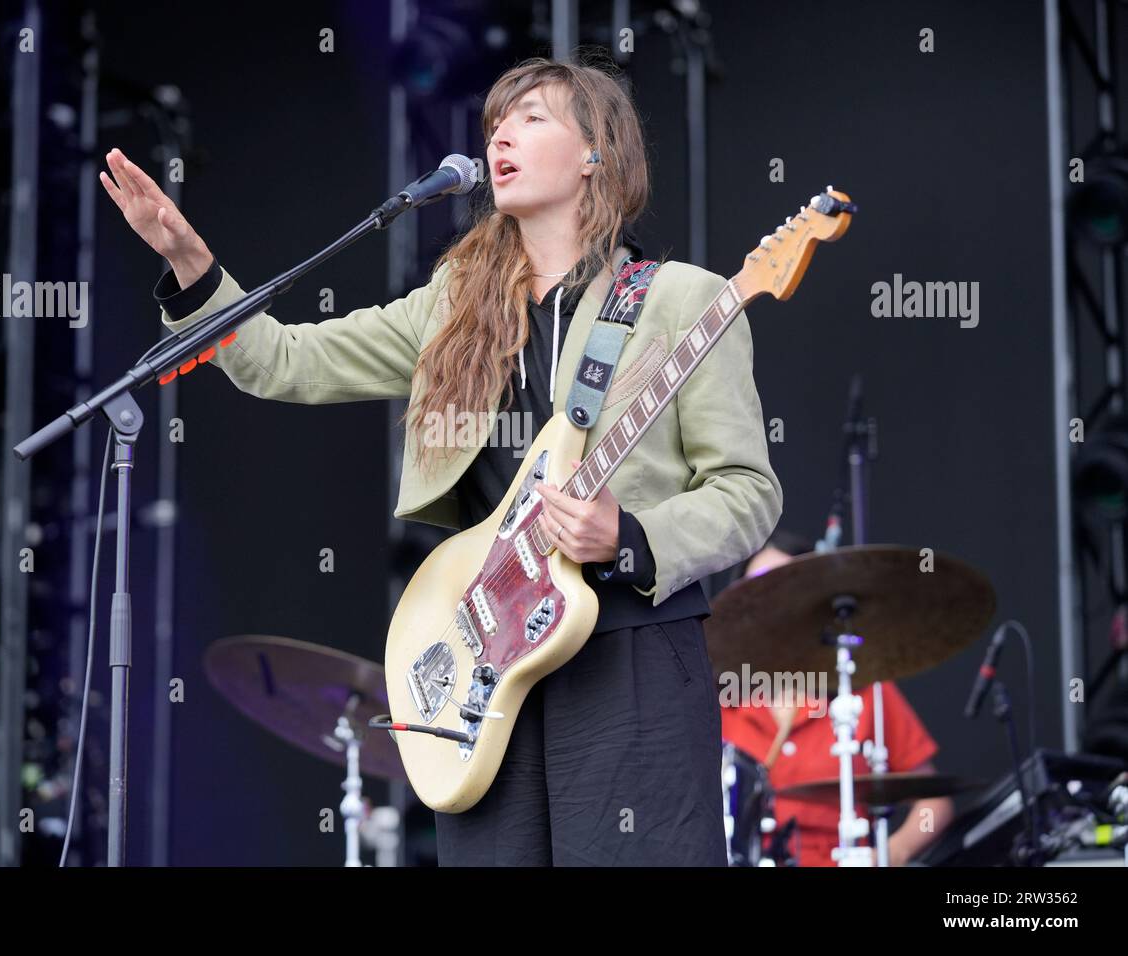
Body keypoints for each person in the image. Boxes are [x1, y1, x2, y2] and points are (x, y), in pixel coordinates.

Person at [102, 55, 782, 866]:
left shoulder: (683, 300)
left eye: (533, 117)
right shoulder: (456, 304)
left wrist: (629, 535)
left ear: (598, 152)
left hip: (627, 650)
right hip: (485, 661)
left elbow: (747, 491)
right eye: (497, 120)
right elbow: (285, 360)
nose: (502, 133)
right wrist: (191, 264)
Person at [719, 531, 955, 866]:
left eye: (789, 586)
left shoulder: (863, 691)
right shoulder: (716, 701)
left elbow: (935, 802)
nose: (774, 600)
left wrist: (891, 854)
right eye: (759, 586)